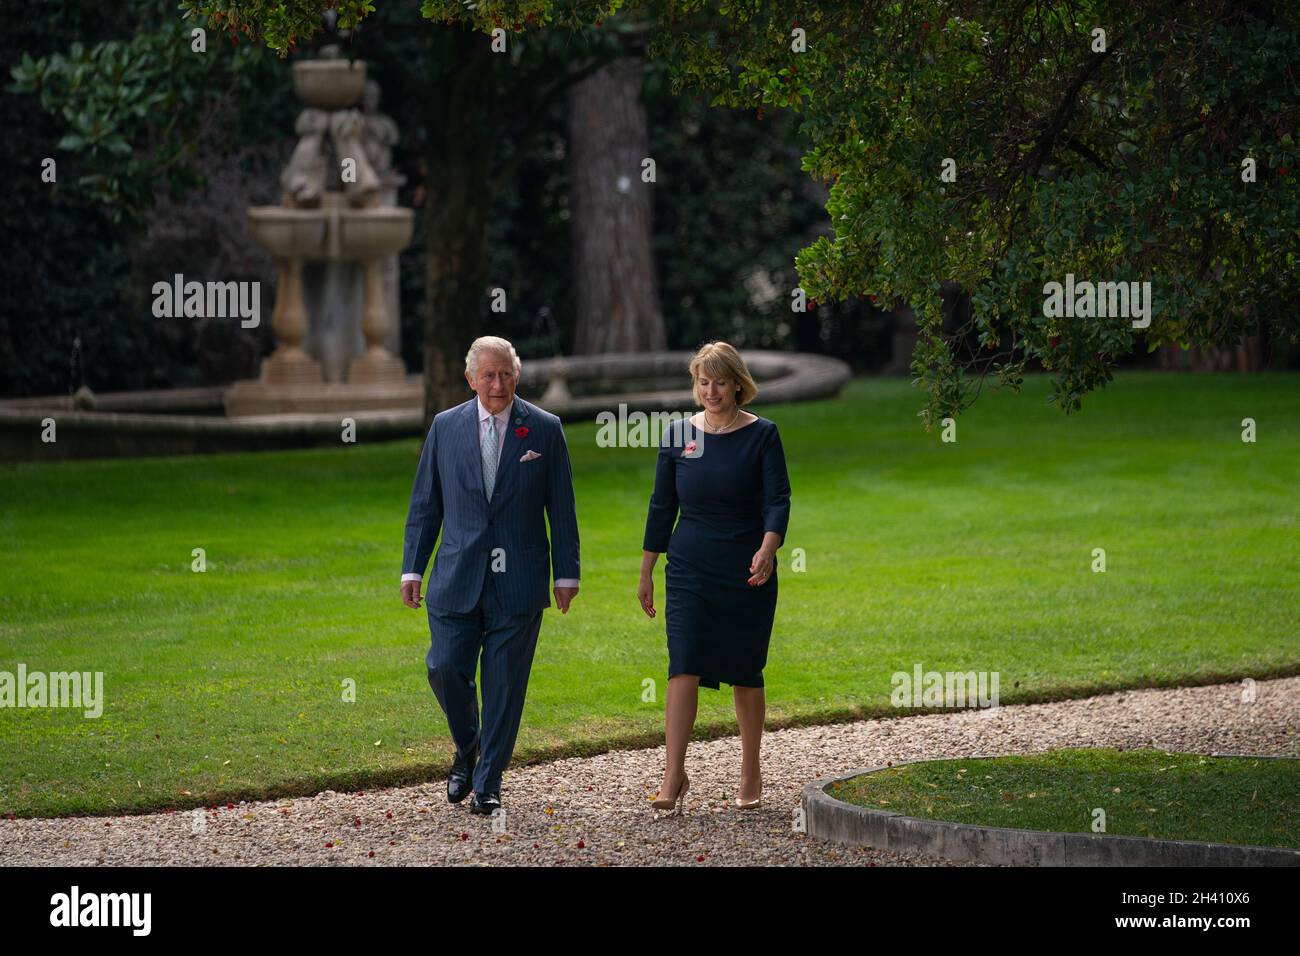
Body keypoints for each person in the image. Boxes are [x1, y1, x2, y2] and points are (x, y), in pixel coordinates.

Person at [401, 335, 580, 815]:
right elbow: (426, 504)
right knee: (443, 667)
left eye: (506, 374)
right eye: (488, 375)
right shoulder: (444, 427)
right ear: (470, 379)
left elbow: (561, 507)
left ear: (516, 376)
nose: (497, 384)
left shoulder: (544, 429)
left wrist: (566, 574)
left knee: (504, 685)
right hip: (455, 576)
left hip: (518, 581)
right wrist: (413, 566)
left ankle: (489, 780)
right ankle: (468, 747)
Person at [638, 341, 791, 813]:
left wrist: (768, 547)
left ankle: (750, 768)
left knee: (746, 670)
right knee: (682, 662)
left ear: (738, 384)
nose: (711, 391)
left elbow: (777, 500)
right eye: (703, 382)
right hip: (688, 568)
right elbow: (662, 507)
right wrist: (646, 571)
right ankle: (673, 774)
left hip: (747, 569)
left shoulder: (762, 435)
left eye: (720, 382)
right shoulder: (679, 435)